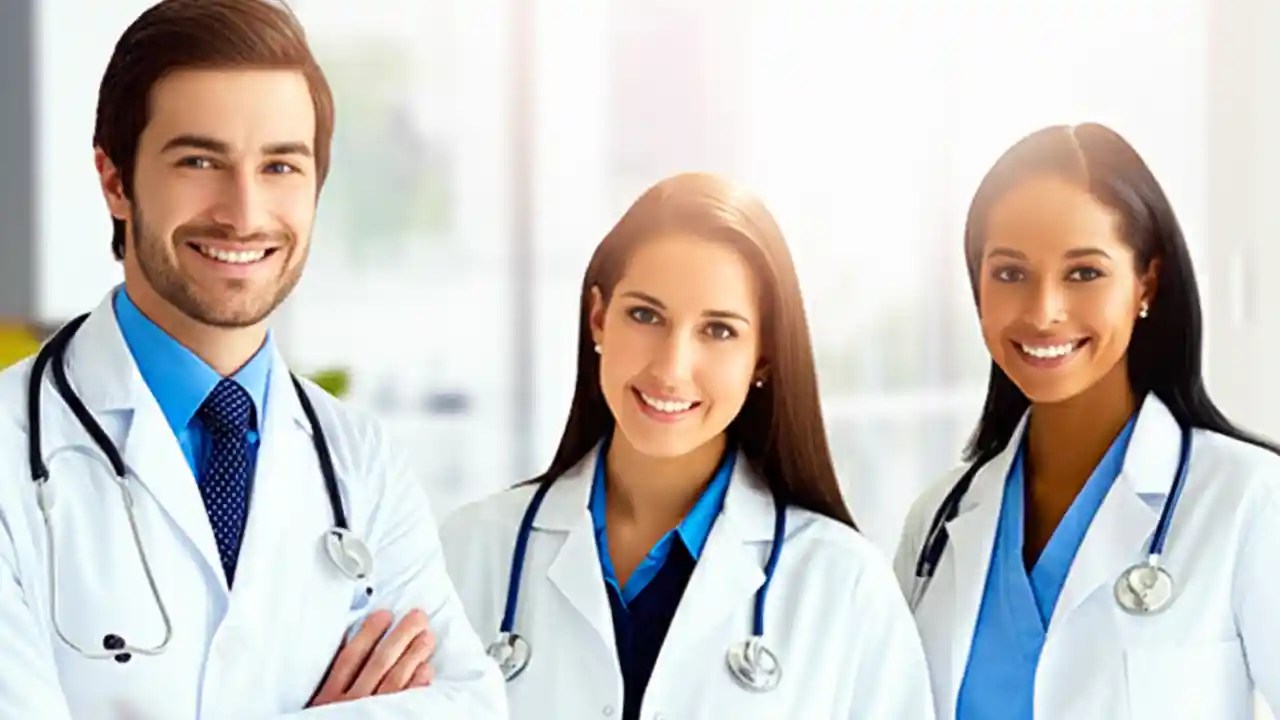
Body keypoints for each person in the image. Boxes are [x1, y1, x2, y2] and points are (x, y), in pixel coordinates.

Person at [0, 1, 505, 716]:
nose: (243, 212)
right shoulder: (11, 450)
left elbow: (472, 705)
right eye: (200, 161)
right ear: (115, 181)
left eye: (279, 166)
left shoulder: (360, 463)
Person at [440, 172, 935, 719]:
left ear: (763, 357)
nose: (671, 368)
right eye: (645, 316)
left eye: (719, 331)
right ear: (598, 319)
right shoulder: (470, 552)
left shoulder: (843, 585)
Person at [894, 123, 1280, 719]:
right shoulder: (938, 522)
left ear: (1145, 283)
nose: (1044, 311)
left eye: (1083, 273)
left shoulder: (1247, 501)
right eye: (1010, 273)